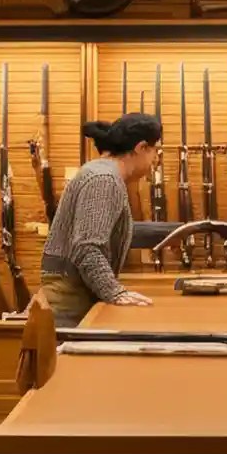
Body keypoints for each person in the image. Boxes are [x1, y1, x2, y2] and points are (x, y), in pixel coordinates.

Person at [36, 114, 162, 327]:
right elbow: (87, 248)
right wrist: (114, 292)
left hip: (73, 294)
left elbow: (114, 231)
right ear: (141, 148)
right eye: (155, 151)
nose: (155, 160)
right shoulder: (105, 180)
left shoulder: (101, 173)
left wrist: (182, 231)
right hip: (69, 301)